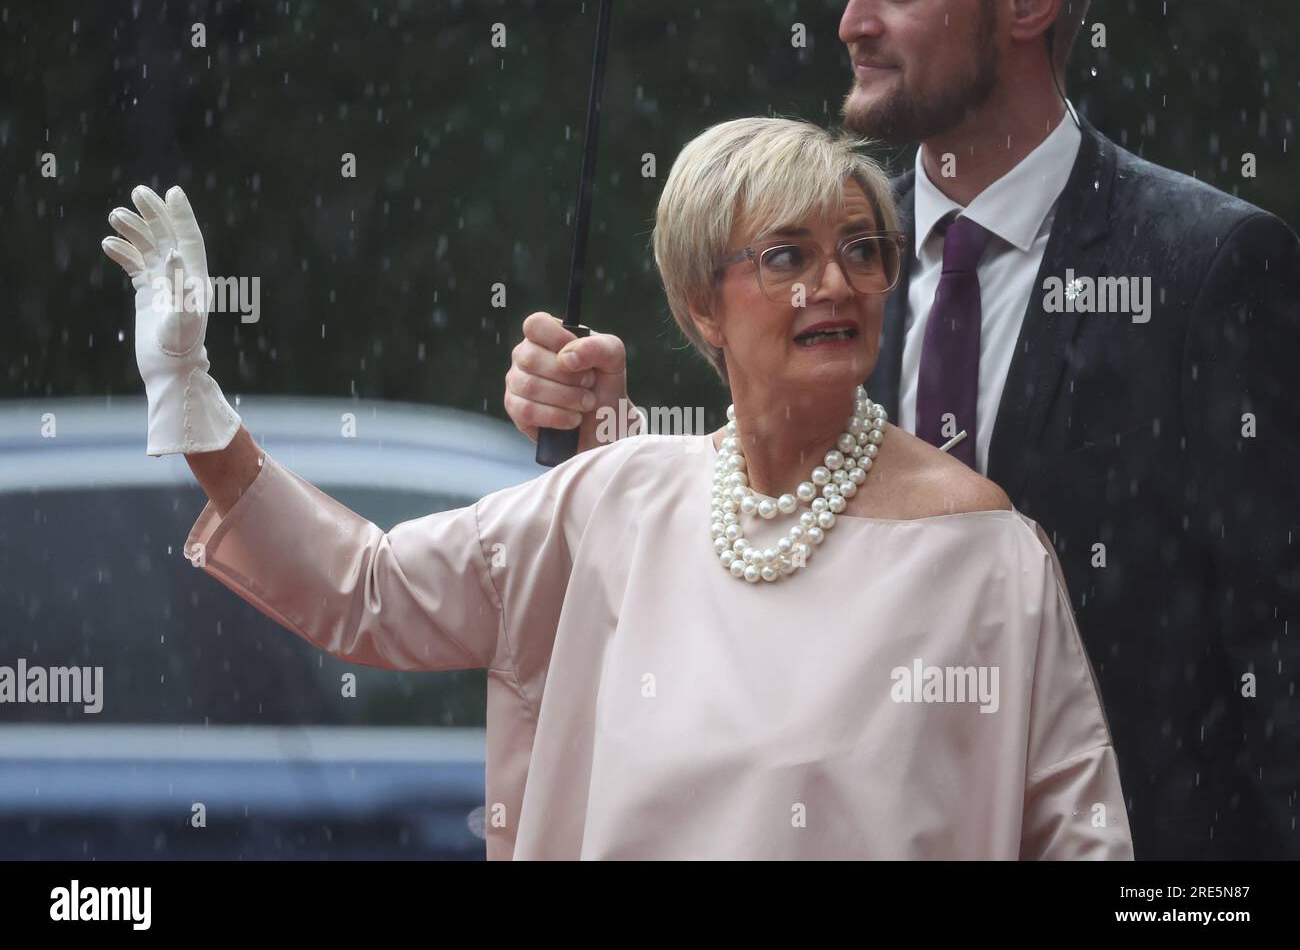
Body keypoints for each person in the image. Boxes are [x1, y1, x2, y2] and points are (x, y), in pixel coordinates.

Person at [101, 117, 1132, 860]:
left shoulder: (985, 551)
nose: (833, 284)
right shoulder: (611, 503)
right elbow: (368, 589)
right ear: (702, 306)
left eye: (862, 252)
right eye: (787, 256)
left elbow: (1084, 842)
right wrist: (192, 399)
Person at [502, 0, 1300, 860]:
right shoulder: (826, 258)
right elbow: (766, 563)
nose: (851, 22)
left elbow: (1281, 658)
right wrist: (614, 447)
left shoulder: (1207, 268)